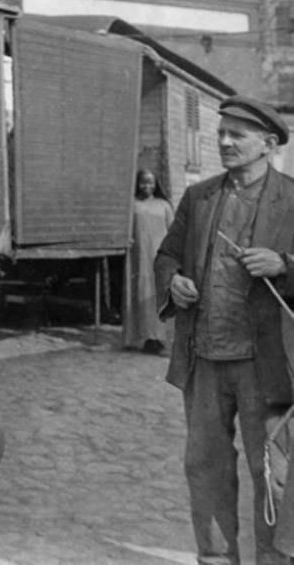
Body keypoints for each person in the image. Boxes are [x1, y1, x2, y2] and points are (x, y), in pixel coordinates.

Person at [155, 95, 294, 565]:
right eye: (221, 132)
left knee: (273, 472)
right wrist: (173, 282)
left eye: (238, 134)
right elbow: (167, 254)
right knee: (206, 468)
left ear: (268, 143)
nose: (224, 141)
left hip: (267, 367)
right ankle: (216, 559)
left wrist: (285, 265)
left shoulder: (292, 199)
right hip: (205, 361)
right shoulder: (200, 197)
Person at [125, 167, 174, 354]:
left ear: (156, 184)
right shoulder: (132, 205)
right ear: (137, 183)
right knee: (138, 294)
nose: (147, 186)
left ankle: (158, 338)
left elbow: (173, 232)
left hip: (159, 256)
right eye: (143, 182)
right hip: (137, 257)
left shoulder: (164, 205)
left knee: (157, 295)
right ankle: (141, 336)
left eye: (151, 182)